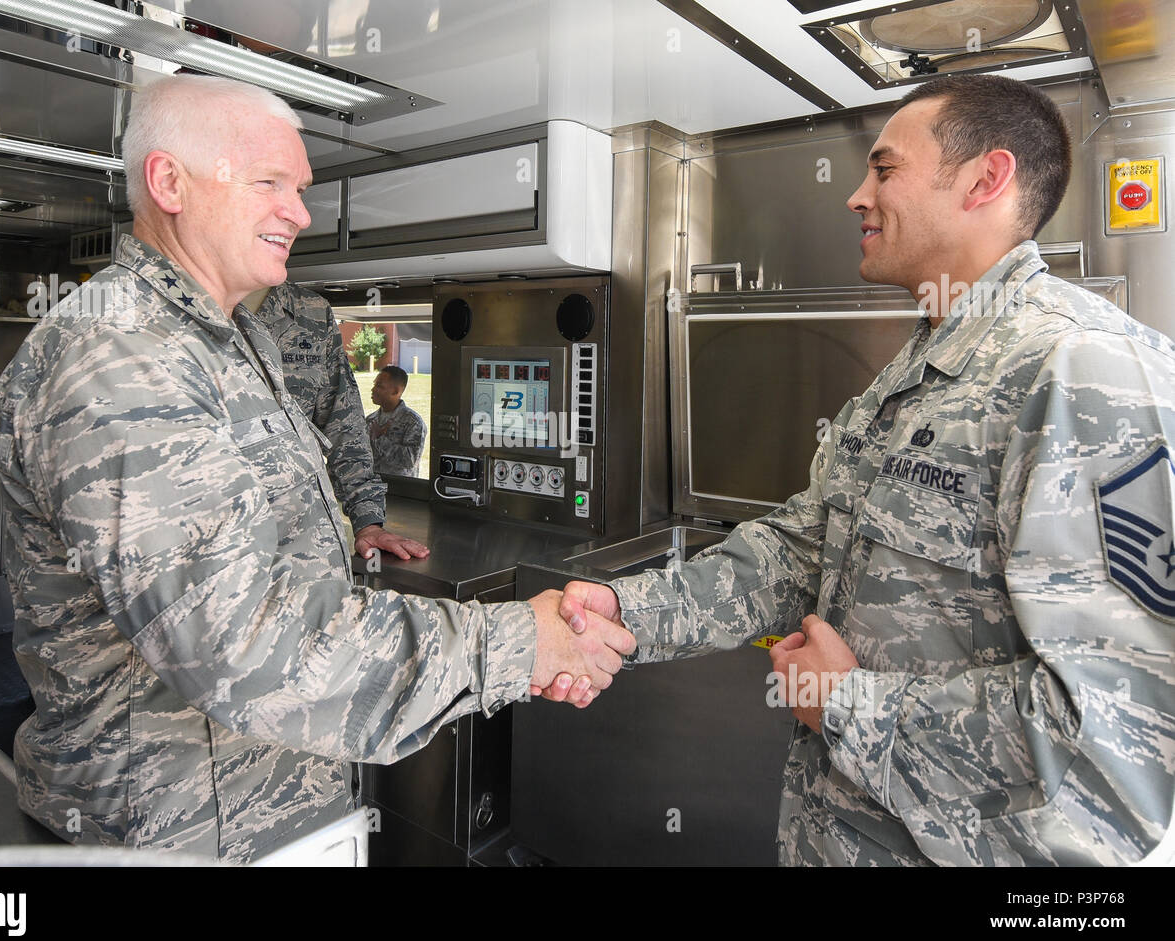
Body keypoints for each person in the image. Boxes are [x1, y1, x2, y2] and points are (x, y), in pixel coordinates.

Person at [0, 74, 631, 863]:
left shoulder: (235, 340)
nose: (299, 212)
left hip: (275, 807)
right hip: (176, 829)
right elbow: (241, 646)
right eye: (270, 184)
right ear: (169, 183)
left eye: (301, 188)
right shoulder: (118, 357)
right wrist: (520, 646)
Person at [554, 74, 1175, 865]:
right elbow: (803, 548)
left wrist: (845, 704)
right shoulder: (914, 371)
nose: (855, 196)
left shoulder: (1085, 371)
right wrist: (621, 610)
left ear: (987, 179)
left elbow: (1119, 737)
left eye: (883, 170)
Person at [246, 284, 429, 561]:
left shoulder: (312, 313)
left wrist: (368, 522)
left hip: (302, 551)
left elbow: (346, 429)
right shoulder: (169, 305)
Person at [366, 364, 427, 478]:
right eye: (374, 384)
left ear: (395, 391)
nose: (373, 389)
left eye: (379, 386)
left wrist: (379, 439)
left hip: (399, 489)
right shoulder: (370, 420)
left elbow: (409, 461)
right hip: (373, 488)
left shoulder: (413, 422)